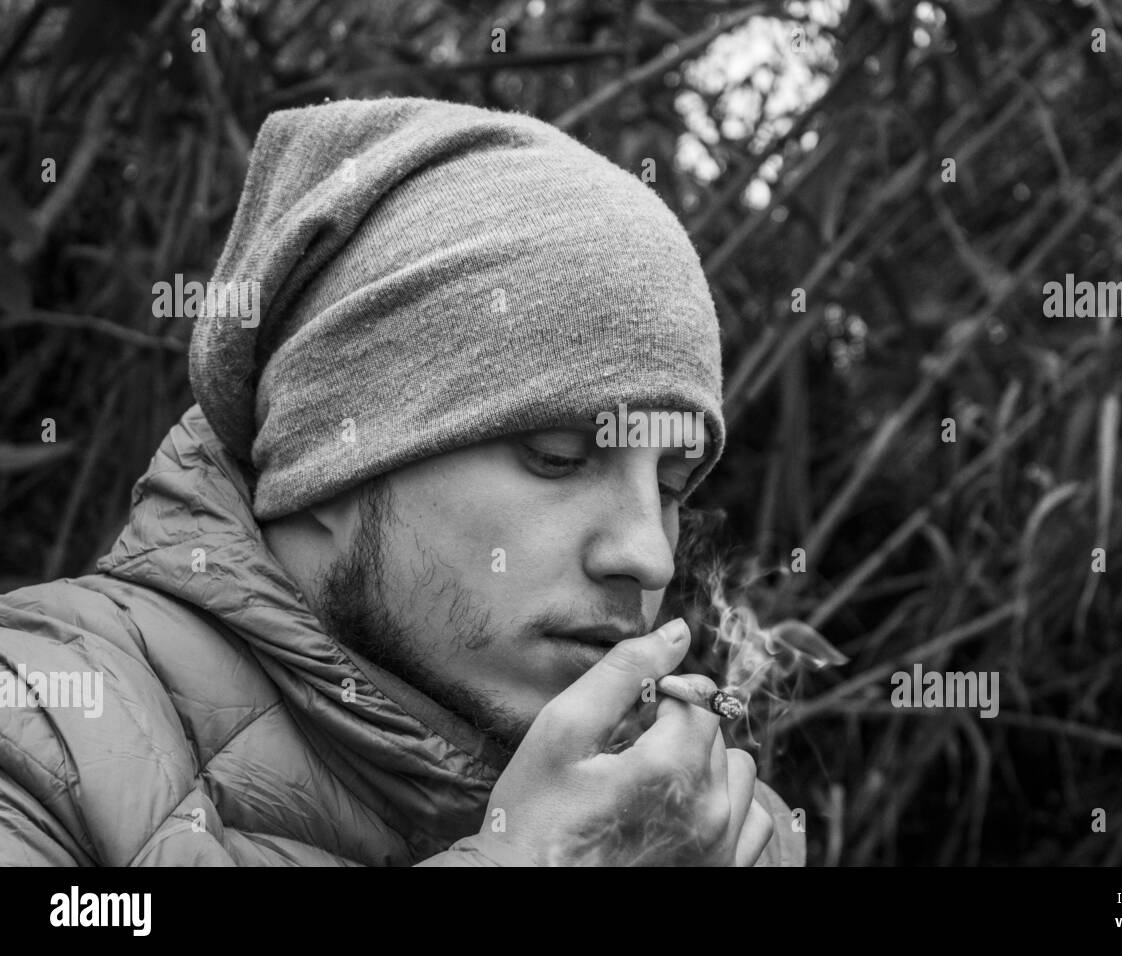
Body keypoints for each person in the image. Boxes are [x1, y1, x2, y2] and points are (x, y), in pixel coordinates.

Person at [0, 97, 804, 866]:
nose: (649, 557)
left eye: (671, 485)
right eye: (558, 455)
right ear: (330, 464)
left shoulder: (704, 825)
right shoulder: (42, 728)